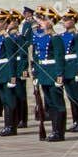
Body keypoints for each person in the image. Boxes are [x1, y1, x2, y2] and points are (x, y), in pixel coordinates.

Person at [31, 8, 66, 142]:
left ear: (51, 22)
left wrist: (59, 75)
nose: (40, 23)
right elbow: (37, 57)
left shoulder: (55, 38)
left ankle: (59, 131)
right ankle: (53, 129)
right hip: (44, 74)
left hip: (52, 73)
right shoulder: (42, 38)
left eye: (44, 20)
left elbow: (59, 58)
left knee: (58, 104)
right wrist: (36, 74)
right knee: (50, 104)